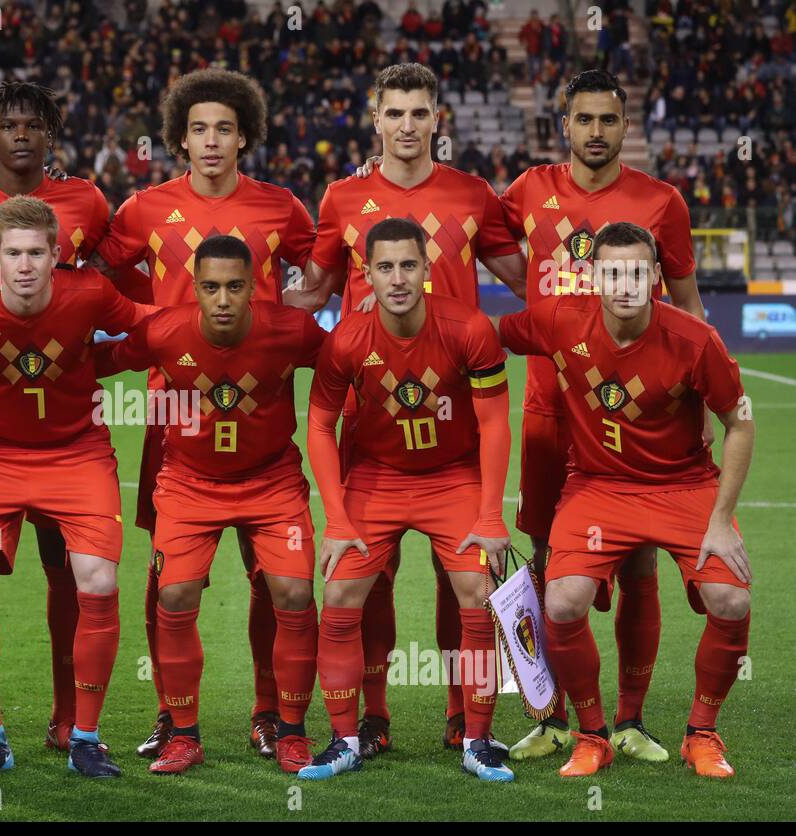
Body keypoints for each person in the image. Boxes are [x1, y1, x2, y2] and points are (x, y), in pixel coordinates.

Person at [287, 62, 524, 759]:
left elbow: (528, 279)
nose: (408, 125)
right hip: (375, 420)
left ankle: (464, 719)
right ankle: (374, 715)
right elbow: (313, 292)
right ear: (376, 117)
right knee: (370, 578)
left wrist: (610, 282)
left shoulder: (474, 193)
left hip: (458, 415)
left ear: (438, 118)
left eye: (420, 113)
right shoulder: (342, 195)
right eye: (396, 113)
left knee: (465, 587)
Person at [0, 81, 149, 763]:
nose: (21, 135)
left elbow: (109, 286)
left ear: (51, 134)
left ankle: (67, 717)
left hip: (63, 407)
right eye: (8, 124)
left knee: (68, 568)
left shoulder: (85, 202)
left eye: (34, 125)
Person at [92, 68, 316, 760]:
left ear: (244, 135)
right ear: (179, 140)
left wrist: (282, 320)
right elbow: (102, 272)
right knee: (169, 578)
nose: (211, 141)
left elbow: (325, 277)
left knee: (275, 578)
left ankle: (270, 712)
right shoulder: (146, 209)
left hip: (257, 402)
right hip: (176, 410)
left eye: (224, 128)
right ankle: (171, 714)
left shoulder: (282, 208)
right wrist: (155, 314)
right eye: (198, 129)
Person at [494, 221, 753, 778]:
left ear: (657, 276)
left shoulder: (695, 340)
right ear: (592, 277)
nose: (626, 283)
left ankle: (701, 734)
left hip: (683, 486)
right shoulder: (562, 319)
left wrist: (723, 519)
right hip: (598, 486)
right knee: (562, 602)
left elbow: (739, 424)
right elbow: (487, 335)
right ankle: (593, 736)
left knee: (731, 602)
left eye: (638, 270)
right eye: (613, 271)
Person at [500, 70, 704, 763]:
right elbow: (491, 253)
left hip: (633, 418)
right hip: (547, 410)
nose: (595, 132)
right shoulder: (527, 191)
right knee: (546, 565)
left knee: (640, 556)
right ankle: (555, 713)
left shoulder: (661, 201)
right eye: (583, 119)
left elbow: (689, 306)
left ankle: (631, 719)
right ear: (564, 124)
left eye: (607, 120)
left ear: (626, 125)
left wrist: (698, 400)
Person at [101, 235, 325, 775]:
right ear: (194, 288)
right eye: (210, 287)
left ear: (253, 287)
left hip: (271, 480)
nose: (222, 299)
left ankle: (290, 731)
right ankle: (183, 734)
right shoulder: (164, 331)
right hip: (188, 482)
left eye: (234, 287)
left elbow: (350, 360)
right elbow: (100, 361)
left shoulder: (291, 330)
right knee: (174, 594)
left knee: (293, 590)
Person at [304, 217, 513, 782]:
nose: (398, 278)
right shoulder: (346, 338)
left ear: (428, 267)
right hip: (377, 478)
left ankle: (478, 738)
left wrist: (491, 516)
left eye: (408, 265)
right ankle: (345, 737)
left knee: (477, 586)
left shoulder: (470, 328)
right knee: (341, 585)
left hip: (453, 476)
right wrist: (336, 518)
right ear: (366, 273)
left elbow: (495, 424)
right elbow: (319, 427)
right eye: (385, 267)